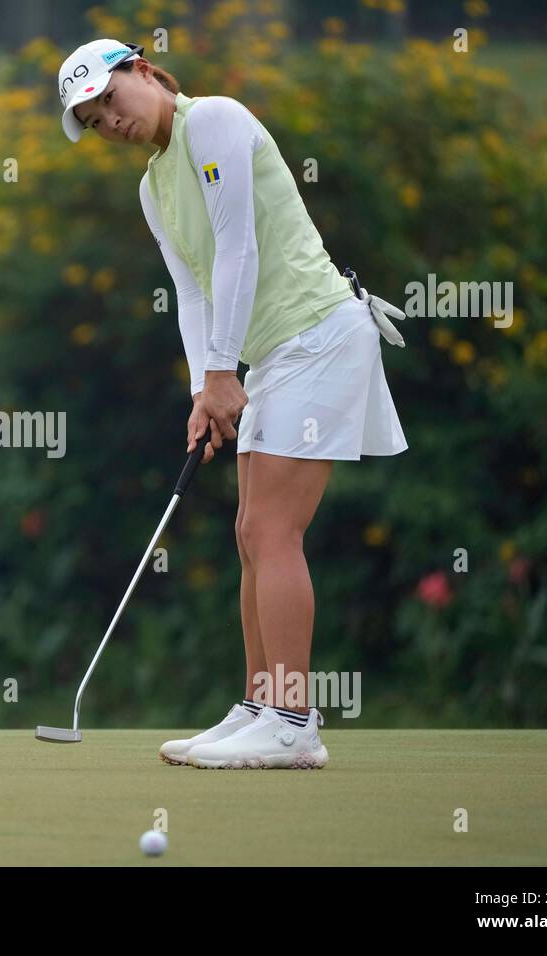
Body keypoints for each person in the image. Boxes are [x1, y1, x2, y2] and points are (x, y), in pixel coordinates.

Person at [57, 39, 408, 769]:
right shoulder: (153, 190)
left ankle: (292, 722)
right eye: (93, 122)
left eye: (110, 101)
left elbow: (239, 246)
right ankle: (259, 707)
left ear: (143, 72)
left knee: (274, 530)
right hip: (273, 355)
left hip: (320, 334)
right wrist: (202, 388)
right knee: (251, 531)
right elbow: (193, 292)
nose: (109, 123)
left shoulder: (213, 120)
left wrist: (223, 372)